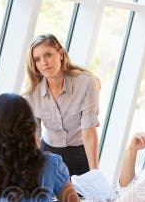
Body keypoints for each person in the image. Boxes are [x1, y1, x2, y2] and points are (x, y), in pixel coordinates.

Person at [23, 34, 100, 176]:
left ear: (61, 54)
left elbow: (89, 132)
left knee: (85, 197)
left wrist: (95, 175)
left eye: (48, 55)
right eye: (37, 59)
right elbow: (34, 137)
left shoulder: (86, 83)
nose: (44, 62)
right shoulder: (31, 94)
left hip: (81, 154)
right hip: (49, 155)